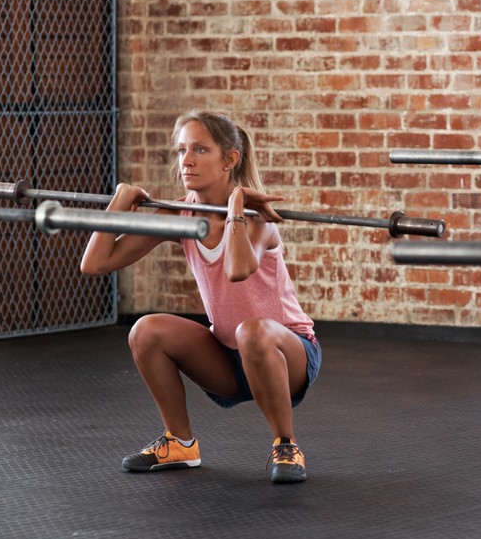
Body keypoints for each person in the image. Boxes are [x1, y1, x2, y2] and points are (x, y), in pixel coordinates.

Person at [80, 110, 321, 484]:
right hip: (227, 357)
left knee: (252, 331)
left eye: (199, 149)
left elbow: (237, 269)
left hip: (288, 355)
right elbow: (95, 264)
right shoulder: (182, 213)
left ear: (230, 160)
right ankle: (180, 442)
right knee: (146, 330)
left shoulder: (257, 220)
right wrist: (117, 204)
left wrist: (237, 206)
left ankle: (286, 443)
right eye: (181, 150)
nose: (186, 160)